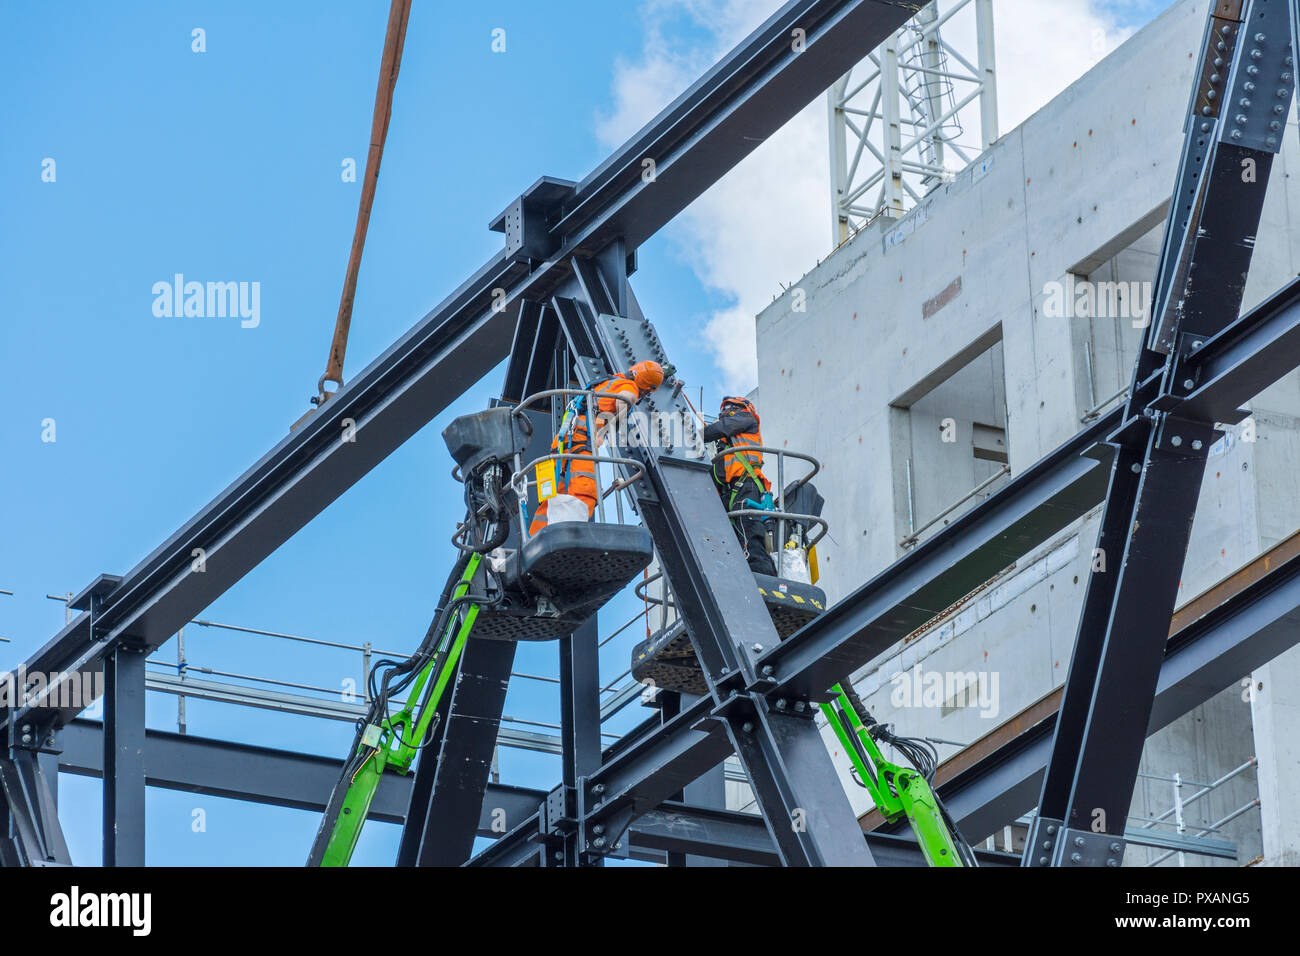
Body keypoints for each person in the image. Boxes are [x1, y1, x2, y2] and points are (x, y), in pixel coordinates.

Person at [528, 361, 664, 535]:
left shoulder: (604, 383)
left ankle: (536, 539)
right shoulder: (628, 385)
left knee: (550, 497)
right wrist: (612, 424)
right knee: (584, 492)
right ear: (646, 388)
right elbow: (627, 398)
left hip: (560, 446)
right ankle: (568, 539)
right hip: (582, 446)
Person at [703, 396, 777, 575]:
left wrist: (689, 436)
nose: (724, 413)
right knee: (733, 540)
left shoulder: (746, 418)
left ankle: (763, 577)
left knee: (750, 535)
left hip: (747, 485)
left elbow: (721, 427)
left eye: (728, 408)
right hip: (732, 492)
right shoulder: (728, 442)